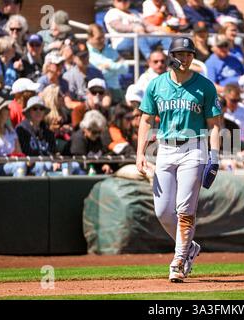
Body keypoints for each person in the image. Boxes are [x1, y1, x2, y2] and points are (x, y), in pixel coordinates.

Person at [136, 37, 222, 282]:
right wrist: (140, 153)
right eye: (181, 53)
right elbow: (145, 120)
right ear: (171, 55)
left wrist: (214, 156)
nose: (185, 58)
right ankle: (190, 248)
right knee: (163, 211)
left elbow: (214, 124)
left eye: (189, 54)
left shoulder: (204, 86)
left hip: (194, 148)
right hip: (165, 148)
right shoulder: (156, 85)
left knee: (185, 209)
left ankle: (178, 261)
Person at [0, 96, 27, 176]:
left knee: (42, 165)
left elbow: (19, 153)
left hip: (12, 164)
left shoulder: (10, 129)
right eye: (6, 108)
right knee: (20, 166)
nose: (9, 110)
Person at [87, 23, 129, 104]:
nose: (102, 41)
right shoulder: (85, 52)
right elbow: (98, 72)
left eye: (103, 37)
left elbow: (125, 68)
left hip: (115, 89)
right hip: (96, 92)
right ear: (90, 38)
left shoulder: (110, 50)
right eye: (99, 38)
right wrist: (114, 66)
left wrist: (109, 66)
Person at [16, 96, 58, 176]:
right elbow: (22, 153)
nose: (38, 111)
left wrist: (55, 161)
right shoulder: (21, 129)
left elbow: (53, 151)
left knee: (72, 165)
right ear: (29, 112)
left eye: (41, 109)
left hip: (48, 163)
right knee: (41, 165)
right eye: (35, 108)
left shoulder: (47, 131)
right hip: (29, 166)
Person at [70, 109, 112, 175]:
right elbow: (81, 162)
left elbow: (104, 154)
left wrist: (105, 164)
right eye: (94, 132)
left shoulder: (99, 139)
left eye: (99, 132)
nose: (97, 135)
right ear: (85, 128)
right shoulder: (78, 138)